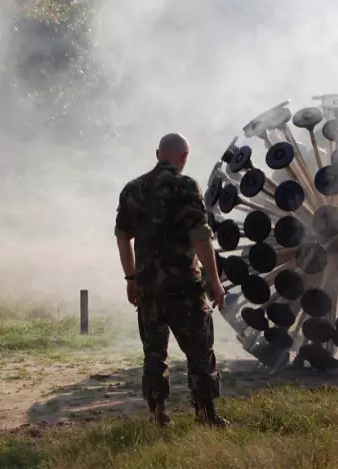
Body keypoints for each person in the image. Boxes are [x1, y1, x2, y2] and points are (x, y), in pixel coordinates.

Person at [114, 132, 229, 427]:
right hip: (185, 287)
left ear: (157, 154)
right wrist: (214, 280)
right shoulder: (187, 186)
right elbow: (201, 237)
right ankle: (206, 412)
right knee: (200, 351)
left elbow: (123, 237)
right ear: (184, 158)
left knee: (154, 351)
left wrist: (130, 278)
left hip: (148, 287)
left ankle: (158, 413)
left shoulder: (132, 190)